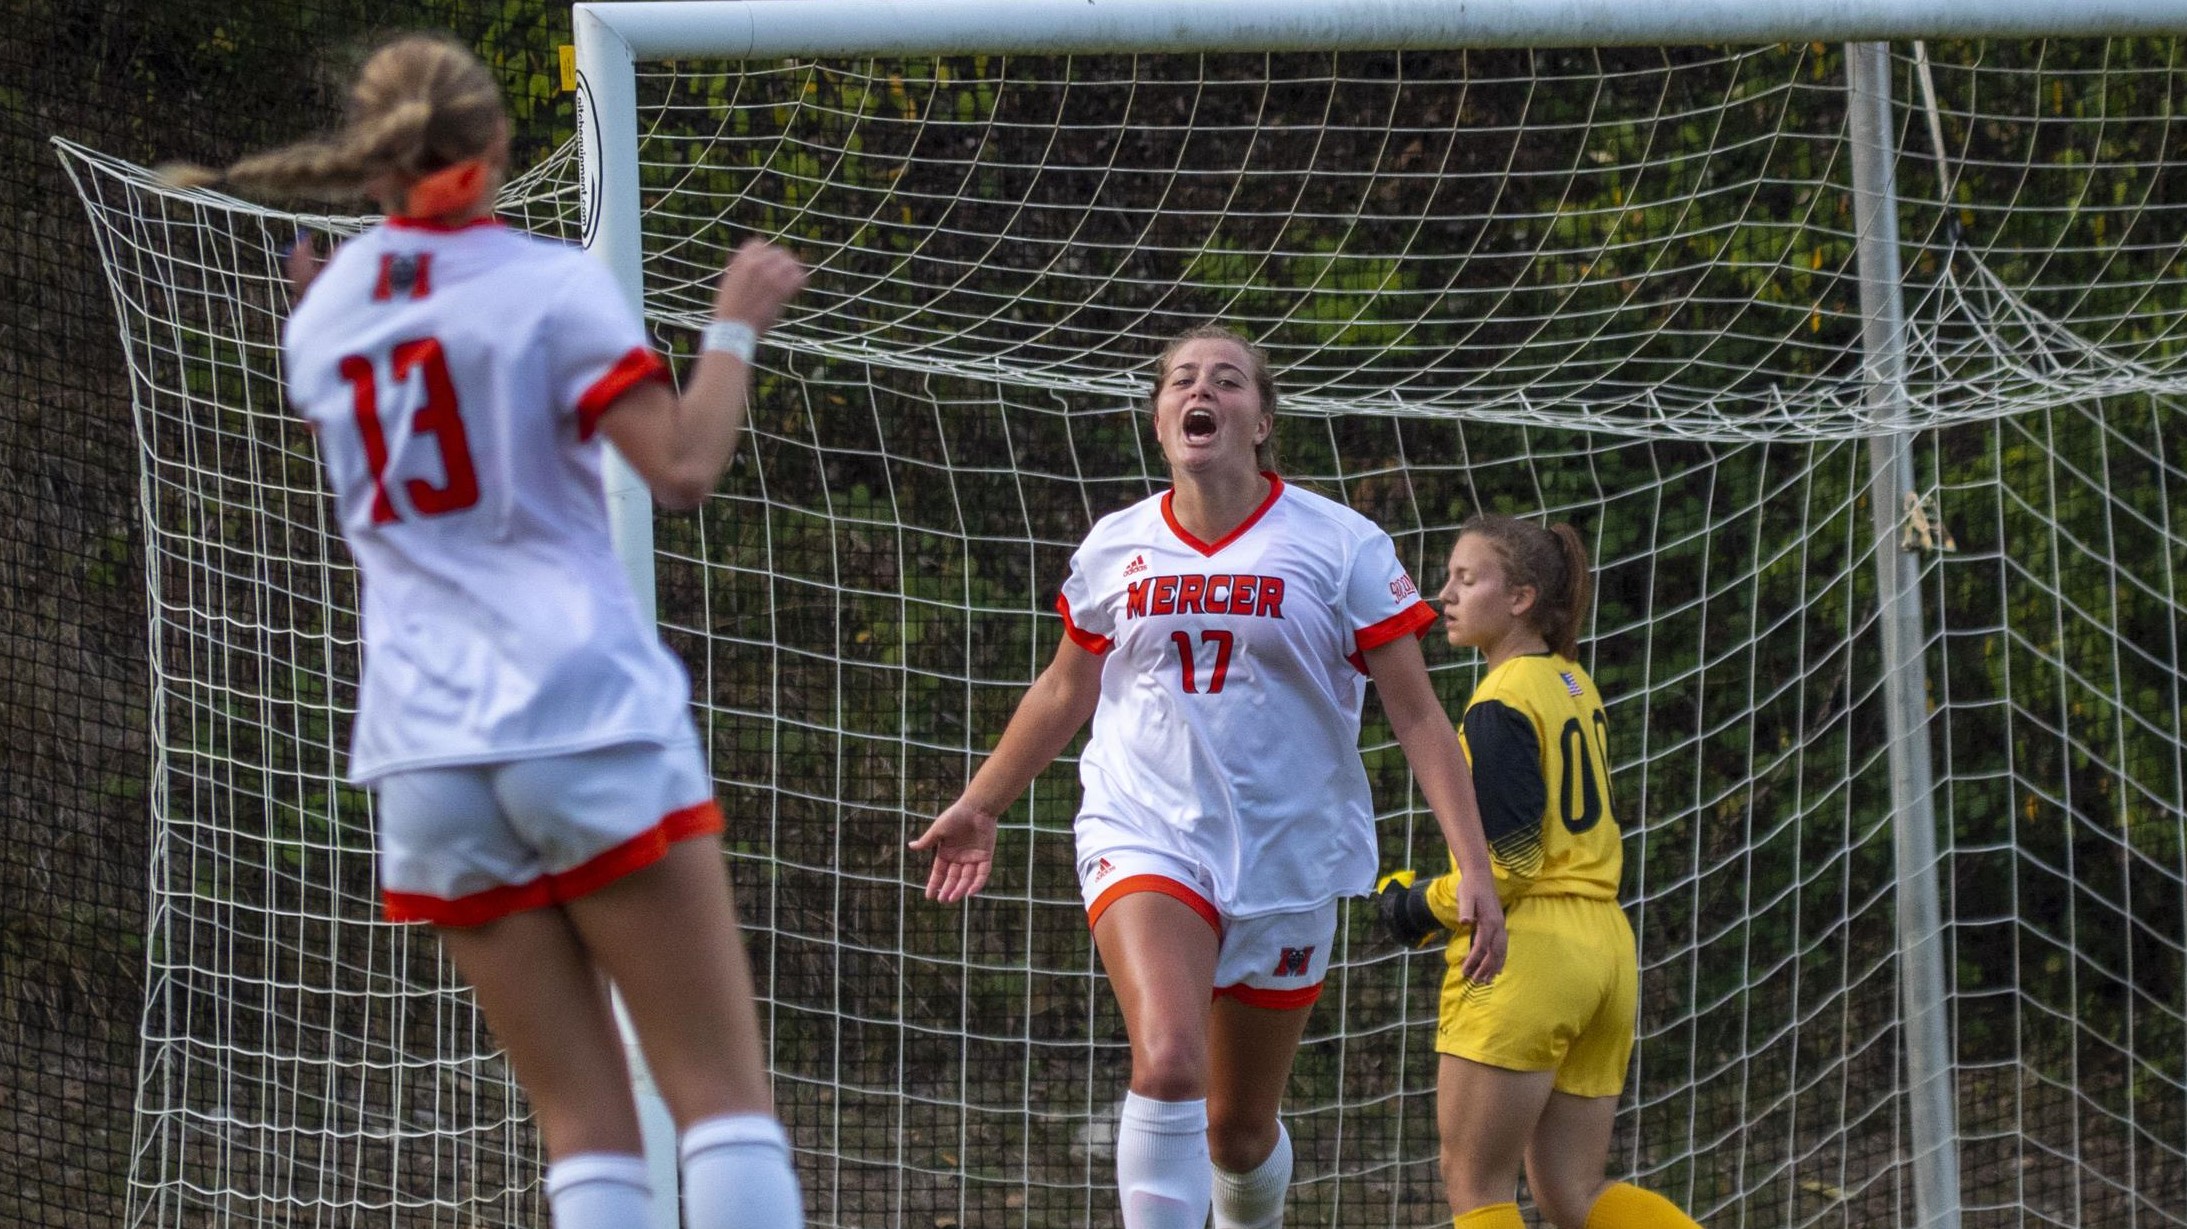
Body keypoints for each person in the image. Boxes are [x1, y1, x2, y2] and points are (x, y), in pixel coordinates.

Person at [164, 33, 809, 1229]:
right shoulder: (551, 283)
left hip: (424, 753)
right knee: (720, 1098)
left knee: (584, 1127)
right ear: (500, 148)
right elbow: (680, 466)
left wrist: (329, 310)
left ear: (370, 168)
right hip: (577, 711)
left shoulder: (325, 313)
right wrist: (734, 323)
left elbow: (364, 430)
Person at [913, 324, 1509, 1229]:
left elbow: (1418, 715)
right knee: (1167, 1064)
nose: (1203, 391)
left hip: (1286, 853)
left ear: (1262, 419)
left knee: (1235, 1131)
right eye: (1183, 380)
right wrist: (980, 801)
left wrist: (1471, 864)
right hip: (1143, 829)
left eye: (1228, 381)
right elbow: (1065, 687)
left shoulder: (1338, 544)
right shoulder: (1117, 545)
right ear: (1160, 419)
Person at [1375, 515, 1704, 1229]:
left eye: (1467, 578)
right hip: (1605, 950)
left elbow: (1510, 864)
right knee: (1573, 1192)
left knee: (1474, 1182)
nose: (1445, 594)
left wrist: (1415, 906)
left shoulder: (1499, 699)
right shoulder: (1572, 682)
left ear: (1520, 597)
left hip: (1531, 954)